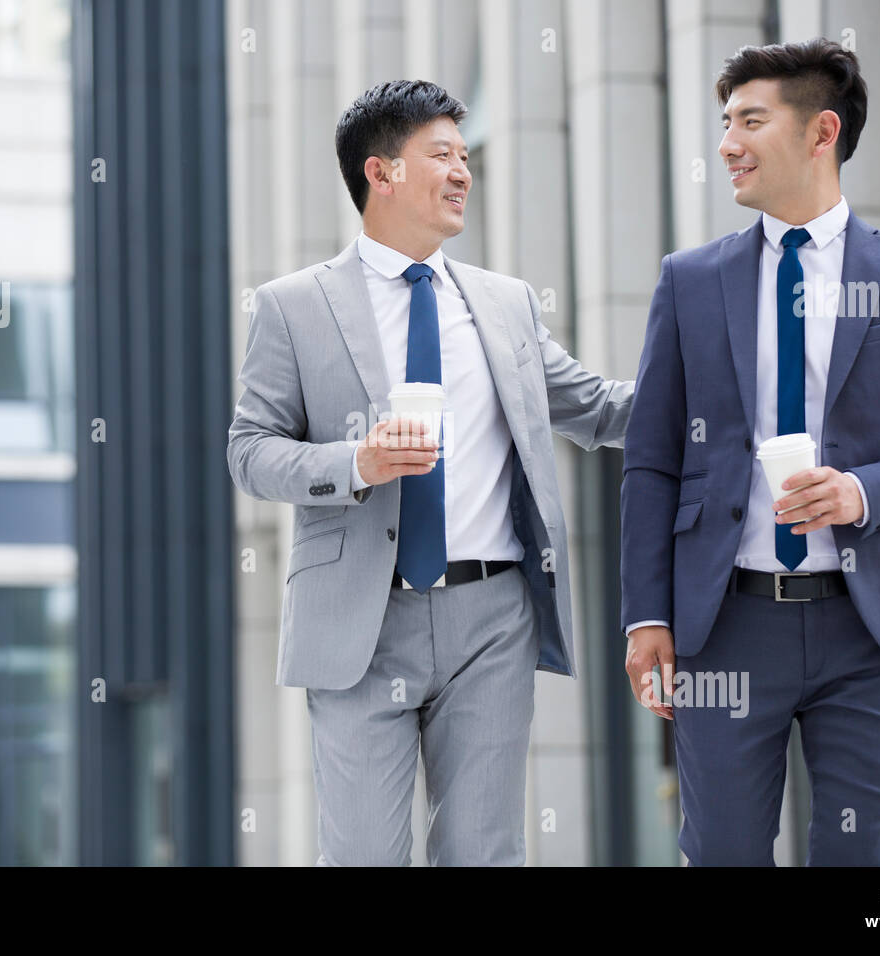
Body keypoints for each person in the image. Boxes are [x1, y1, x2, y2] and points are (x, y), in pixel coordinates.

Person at [227, 79, 633, 865]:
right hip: (360, 622)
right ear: (381, 174)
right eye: (441, 155)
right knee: (365, 856)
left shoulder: (504, 304)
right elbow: (250, 450)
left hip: (493, 615)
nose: (462, 173)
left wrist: (717, 390)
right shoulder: (294, 307)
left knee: (485, 853)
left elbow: (595, 406)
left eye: (465, 156)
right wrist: (358, 461)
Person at [620, 38, 880, 865]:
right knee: (722, 851)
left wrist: (866, 490)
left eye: (750, 120)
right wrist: (648, 613)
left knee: (864, 857)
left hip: (871, 631)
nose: (727, 144)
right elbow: (650, 457)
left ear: (820, 133)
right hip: (726, 623)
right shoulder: (690, 280)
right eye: (725, 122)